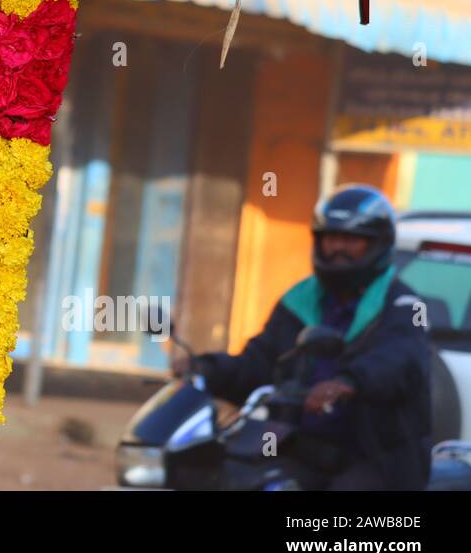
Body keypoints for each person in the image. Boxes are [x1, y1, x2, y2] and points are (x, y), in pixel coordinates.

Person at [171, 185, 432, 490]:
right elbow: (262, 361)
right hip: (300, 449)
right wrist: (207, 368)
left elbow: (400, 357)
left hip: (374, 457)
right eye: (330, 238)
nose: (338, 248)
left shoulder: (404, 305)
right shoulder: (300, 301)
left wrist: (349, 383)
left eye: (352, 240)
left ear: (379, 244)